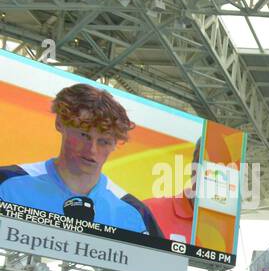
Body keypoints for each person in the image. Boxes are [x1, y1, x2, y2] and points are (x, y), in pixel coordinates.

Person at [0, 83, 164, 235]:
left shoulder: (136, 213)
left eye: (104, 141)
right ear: (60, 123)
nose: (92, 149)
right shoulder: (7, 182)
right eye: (84, 135)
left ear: (116, 144)